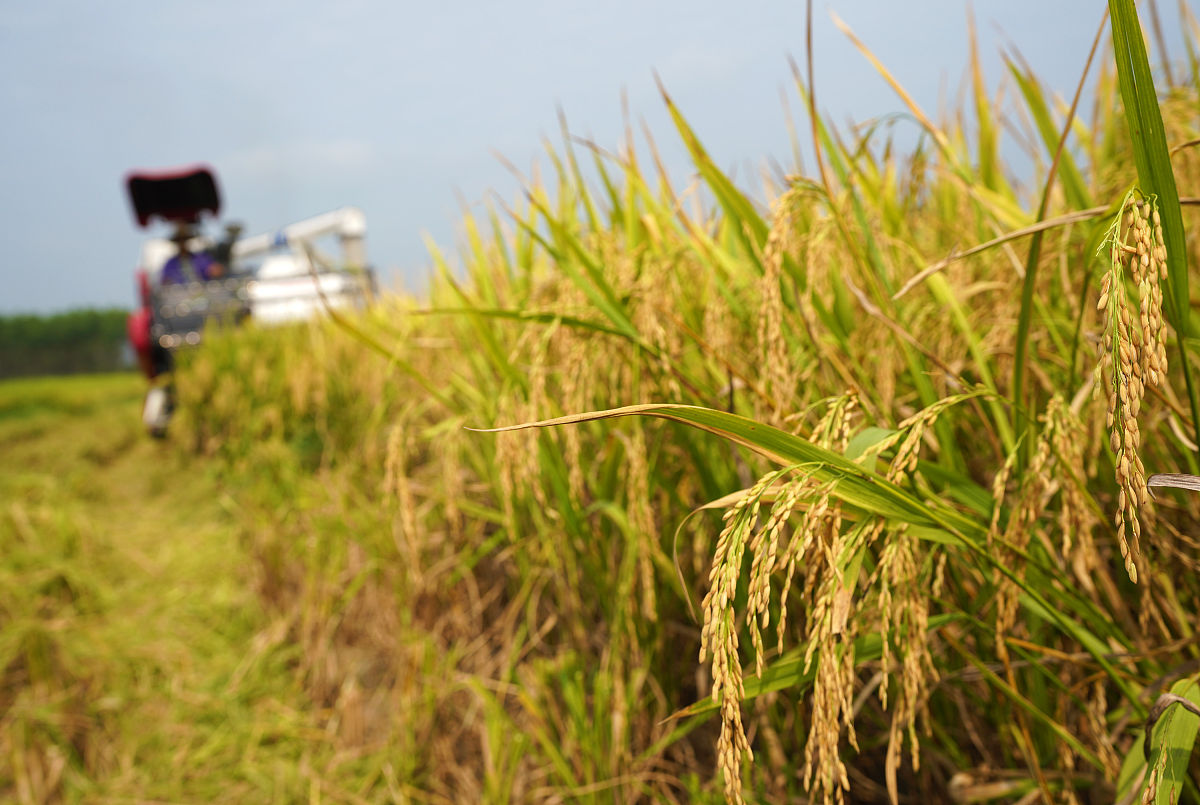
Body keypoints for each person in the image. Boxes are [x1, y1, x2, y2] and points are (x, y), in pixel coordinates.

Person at [160, 224, 227, 284]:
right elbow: (165, 280)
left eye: (184, 240)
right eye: (179, 240)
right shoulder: (170, 263)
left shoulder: (200, 258)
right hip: (180, 292)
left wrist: (216, 270)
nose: (182, 243)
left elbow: (215, 269)